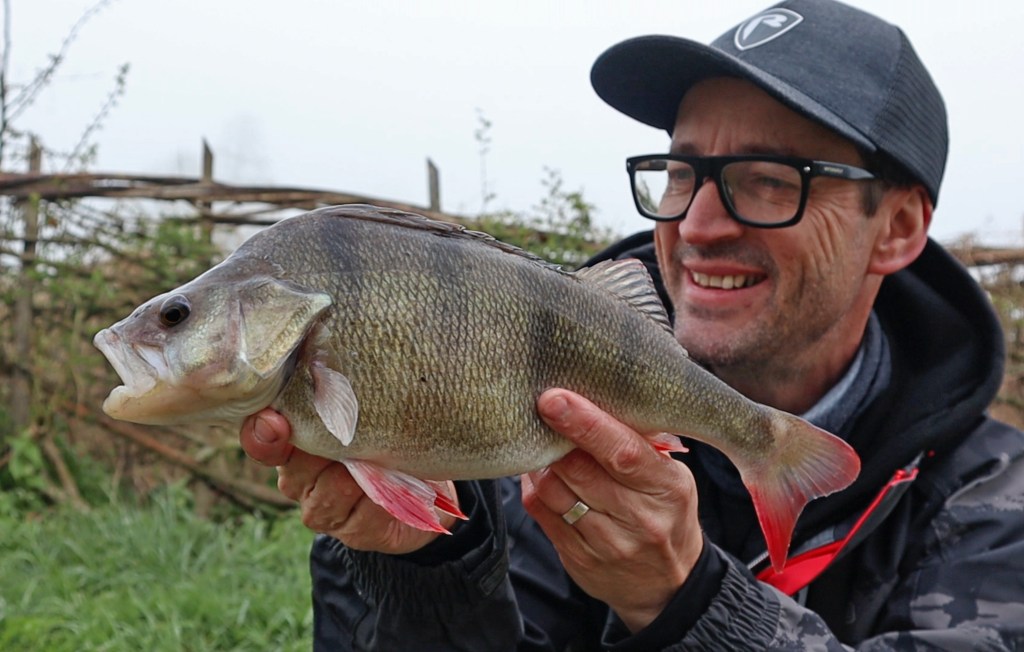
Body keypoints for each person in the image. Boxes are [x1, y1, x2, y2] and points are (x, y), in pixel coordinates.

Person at [240, 0, 1024, 648]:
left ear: (895, 227)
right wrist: (429, 565)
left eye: (767, 180)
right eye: (681, 173)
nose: (700, 223)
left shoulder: (998, 501)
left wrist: (690, 600)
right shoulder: (501, 428)